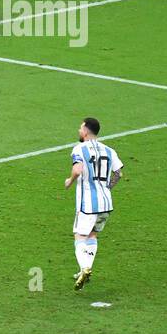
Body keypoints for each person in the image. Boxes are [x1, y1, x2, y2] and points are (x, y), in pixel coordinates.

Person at [64, 116, 124, 291]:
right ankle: (85, 269)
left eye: (80, 127)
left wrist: (70, 180)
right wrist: (107, 188)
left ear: (86, 131)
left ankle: (84, 268)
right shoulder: (109, 150)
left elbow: (78, 169)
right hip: (106, 203)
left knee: (79, 236)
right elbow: (119, 174)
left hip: (87, 204)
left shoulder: (79, 149)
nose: (78, 130)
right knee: (92, 236)